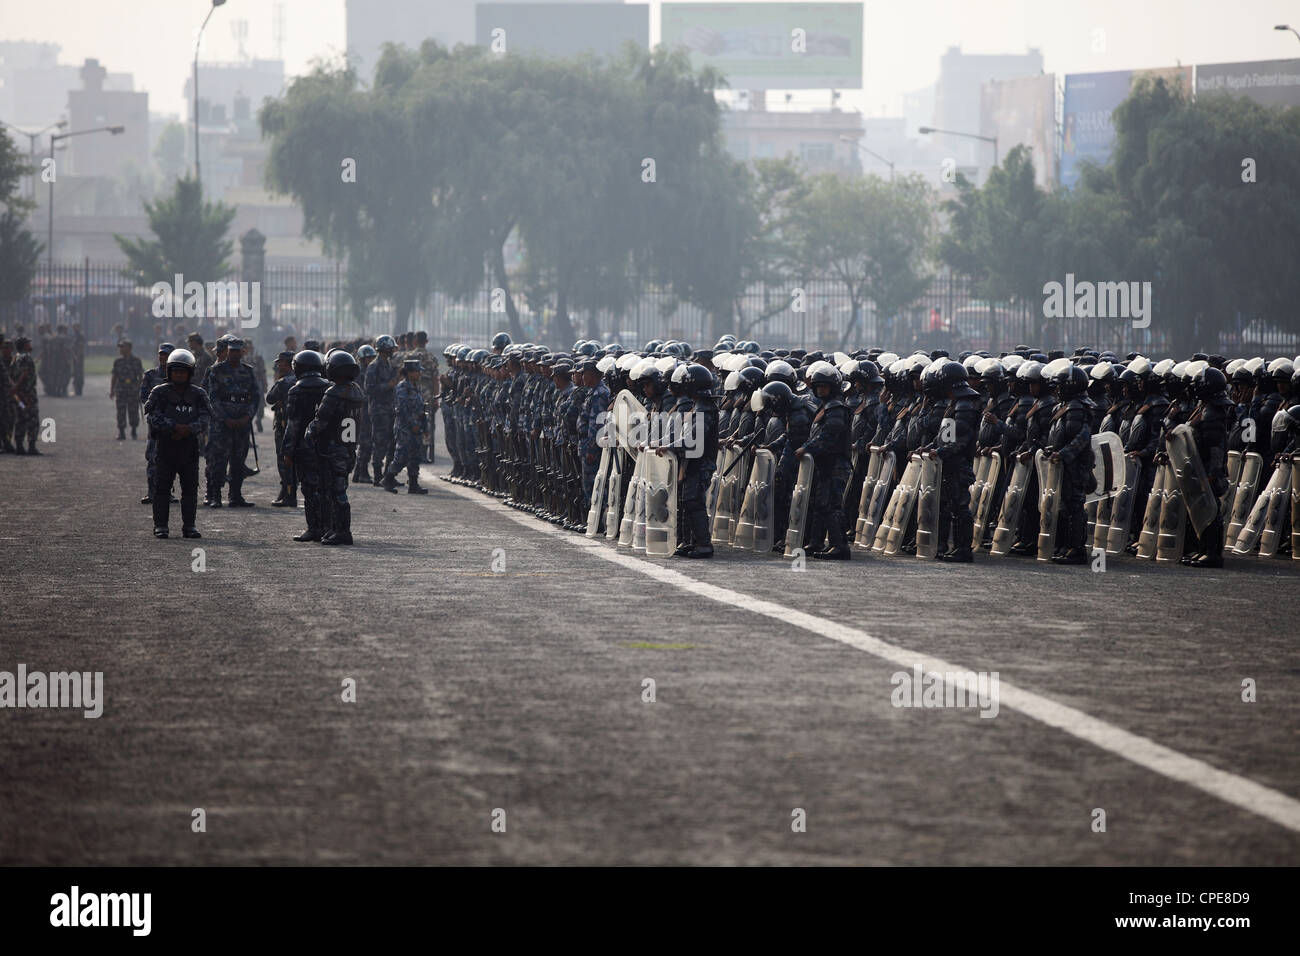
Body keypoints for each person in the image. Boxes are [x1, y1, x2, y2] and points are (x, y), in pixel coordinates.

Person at [143, 348, 210, 539]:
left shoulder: (199, 394)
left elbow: (206, 418)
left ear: (190, 373)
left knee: (190, 488)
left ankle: (189, 526)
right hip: (165, 447)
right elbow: (153, 416)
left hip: (189, 448)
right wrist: (173, 428)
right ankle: (161, 525)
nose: (179, 375)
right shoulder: (159, 392)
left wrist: (189, 428)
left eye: (183, 371)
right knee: (162, 488)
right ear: (169, 372)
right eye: (175, 371)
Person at [306, 351, 366, 544]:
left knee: (337, 491)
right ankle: (334, 528)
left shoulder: (333, 393)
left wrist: (309, 433)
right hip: (349, 448)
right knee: (336, 488)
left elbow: (320, 422)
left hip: (333, 448)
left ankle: (343, 531)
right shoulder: (357, 390)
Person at [204, 337, 260, 507]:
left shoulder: (248, 371)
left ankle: (235, 495)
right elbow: (212, 398)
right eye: (232, 350)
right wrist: (225, 418)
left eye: (238, 350)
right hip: (222, 424)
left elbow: (255, 397)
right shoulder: (217, 370)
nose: (235, 353)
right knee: (218, 460)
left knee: (238, 460)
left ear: (243, 352)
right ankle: (215, 495)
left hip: (242, 423)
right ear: (227, 351)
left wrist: (247, 417)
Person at [282, 351, 331, 541]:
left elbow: (293, 425)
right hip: (327, 446)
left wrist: (287, 451)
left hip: (305, 447)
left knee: (309, 489)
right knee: (326, 488)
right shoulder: (329, 387)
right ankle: (328, 527)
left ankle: (313, 528)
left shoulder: (296, 391)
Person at [383, 358, 430, 494]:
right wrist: (412, 424)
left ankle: (413, 484)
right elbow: (402, 409)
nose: (419, 374)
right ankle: (388, 478)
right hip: (405, 427)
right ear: (409, 373)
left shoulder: (416, 387)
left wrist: (424, 428)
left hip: (416, 427)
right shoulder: (402, 387)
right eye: (417, 371)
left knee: (415, 456)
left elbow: (421, 409)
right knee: (402, 456)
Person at [140, 343, 176, 503]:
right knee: (152, 456)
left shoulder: (179, 375)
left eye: (167, 355)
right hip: (155, 423)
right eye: (161, 354)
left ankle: (167, 492)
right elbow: (143, 397)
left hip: (173, 423)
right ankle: (151, 492)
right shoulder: (150, 375)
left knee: (171, 458)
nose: (163, 357)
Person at [365, 335, 401, 483]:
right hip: (379, 411)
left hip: (390, 409)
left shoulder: (389, 365)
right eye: (391, 348)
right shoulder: (374, 366)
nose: (393, 350)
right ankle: (378, 475)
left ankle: (388, 475)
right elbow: (369, 389)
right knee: (380, 443)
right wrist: (389, 385)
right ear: (385, 349)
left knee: (392, 443)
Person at [265, 351, 298, 507]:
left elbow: (269, 398)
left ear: (288, 363)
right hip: (298, 426)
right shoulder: (300, 380)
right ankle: (287, 491)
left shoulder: (284, 382)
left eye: (281, 362)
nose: (278, 365)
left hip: (284, 425)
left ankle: (289, 494)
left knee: (284, 459)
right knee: (295, 460)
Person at [9, 337, 40, 454]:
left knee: (21, 418)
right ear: (24, 345)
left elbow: (11, 376)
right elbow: (24, 374)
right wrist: (20, 390)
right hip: (27, 394)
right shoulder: (26, 357)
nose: (30, 345)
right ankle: (31, 446)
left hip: (19, 395)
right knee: (32, 418)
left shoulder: (15, 357)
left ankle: (19, 446)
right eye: (28, 343)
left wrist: (16, 390)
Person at [110, 340, 144, 440]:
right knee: (120, 410)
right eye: (120, 347)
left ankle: (134, 430)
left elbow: (140, 376)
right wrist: (112, 390)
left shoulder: (137, 361)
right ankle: (121, 432)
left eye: (122, 347)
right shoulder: (117, 361)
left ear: (129, 348)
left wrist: (140, 388)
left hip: (133, 389)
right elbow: (114, 376)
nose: (120, 349)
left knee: (133, 410)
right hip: (121, 388)